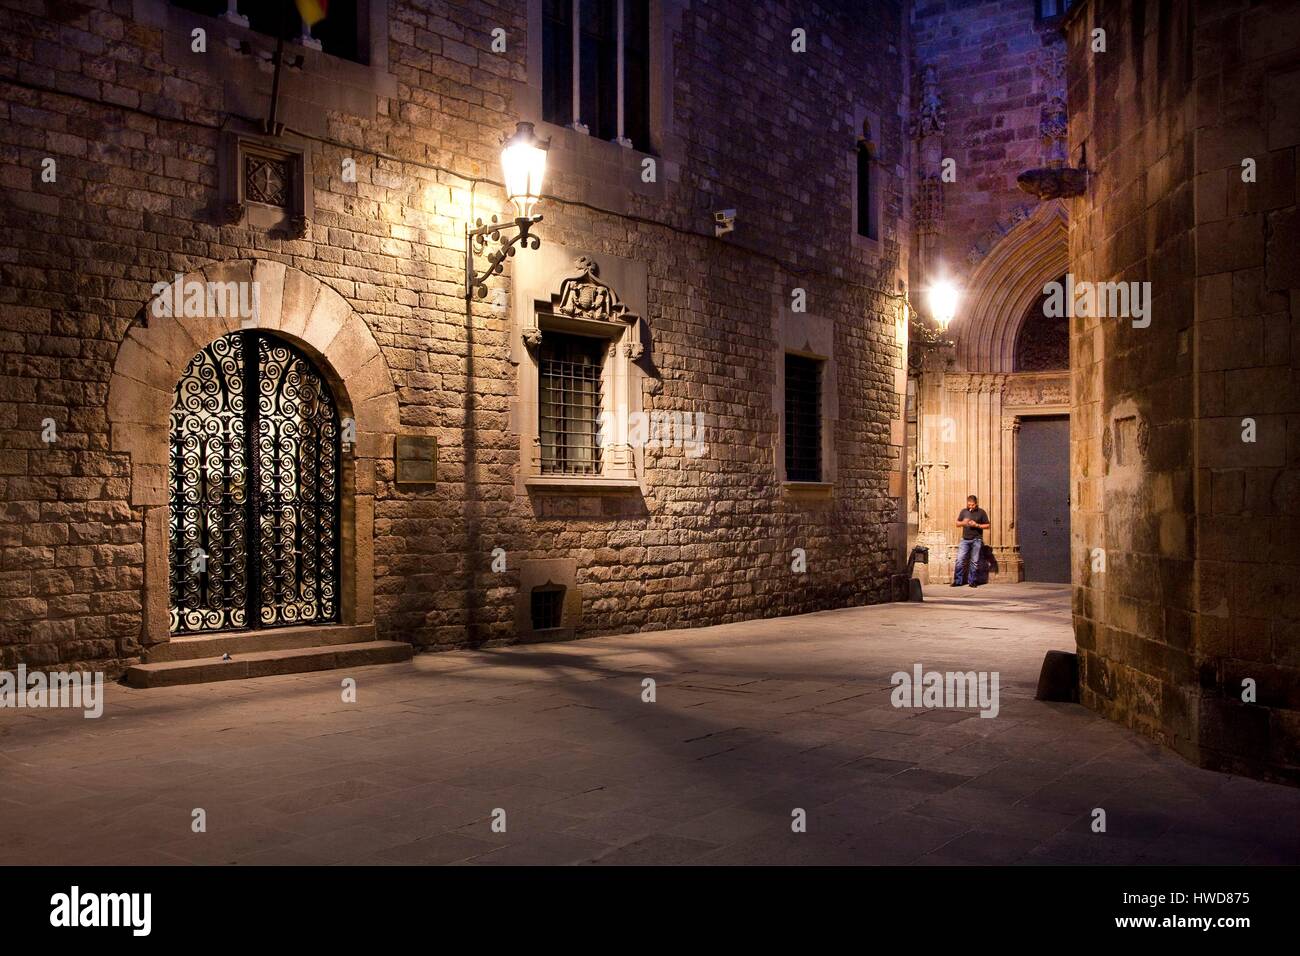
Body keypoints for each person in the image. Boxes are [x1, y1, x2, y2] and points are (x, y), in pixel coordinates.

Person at [952, 494, 991, 587]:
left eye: (972, 505)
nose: (970, 507)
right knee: (960, 560)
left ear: (976, 504)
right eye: (969, 505)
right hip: (965, 540)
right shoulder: (964, 511)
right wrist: (963, 523)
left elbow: (987, 525)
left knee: (974, 561)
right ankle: (958, 581)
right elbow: (957, 523)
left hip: (976, 540)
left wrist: (976, 525)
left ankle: (972, 581)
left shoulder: (981, 512)